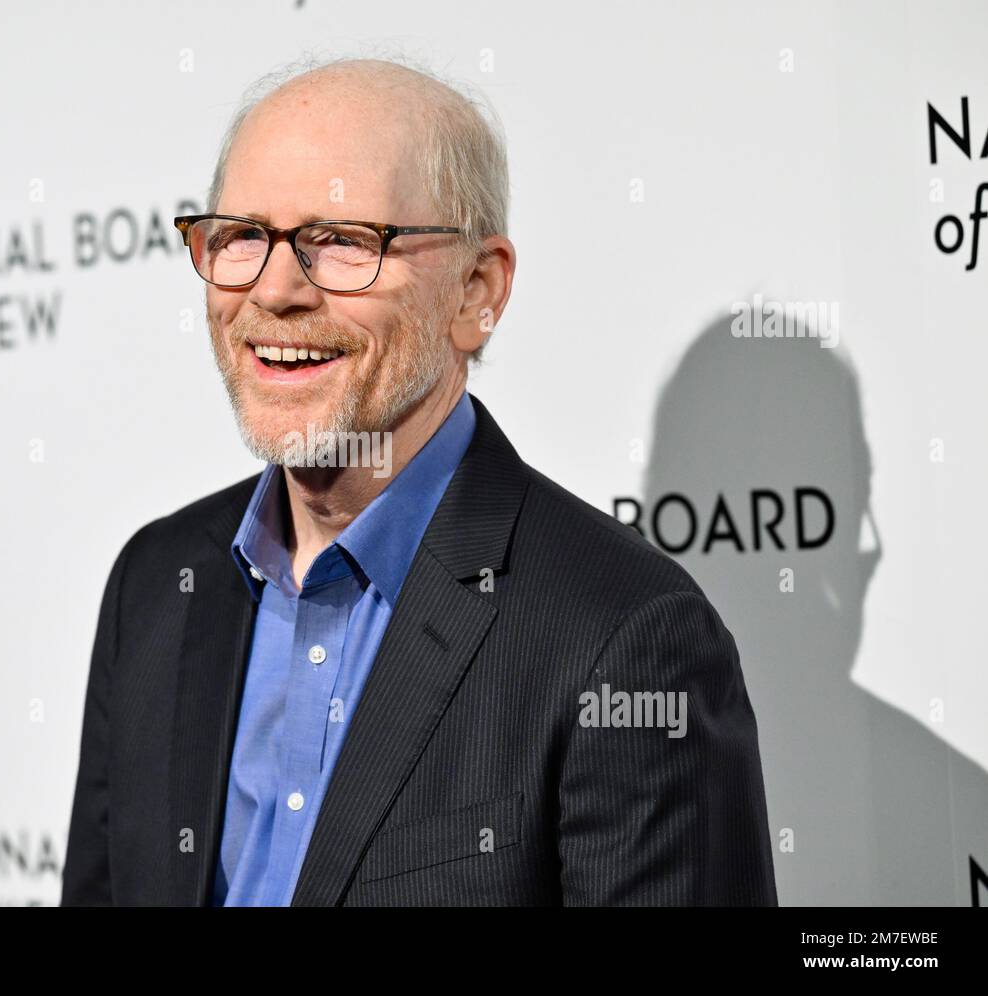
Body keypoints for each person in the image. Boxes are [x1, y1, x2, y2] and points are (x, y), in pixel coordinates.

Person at [61, 56, 777, 906]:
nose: (275, 290)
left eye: (343, 241)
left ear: (476, 292)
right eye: (242, 235)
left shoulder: (625, 641)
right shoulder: (156, 582)